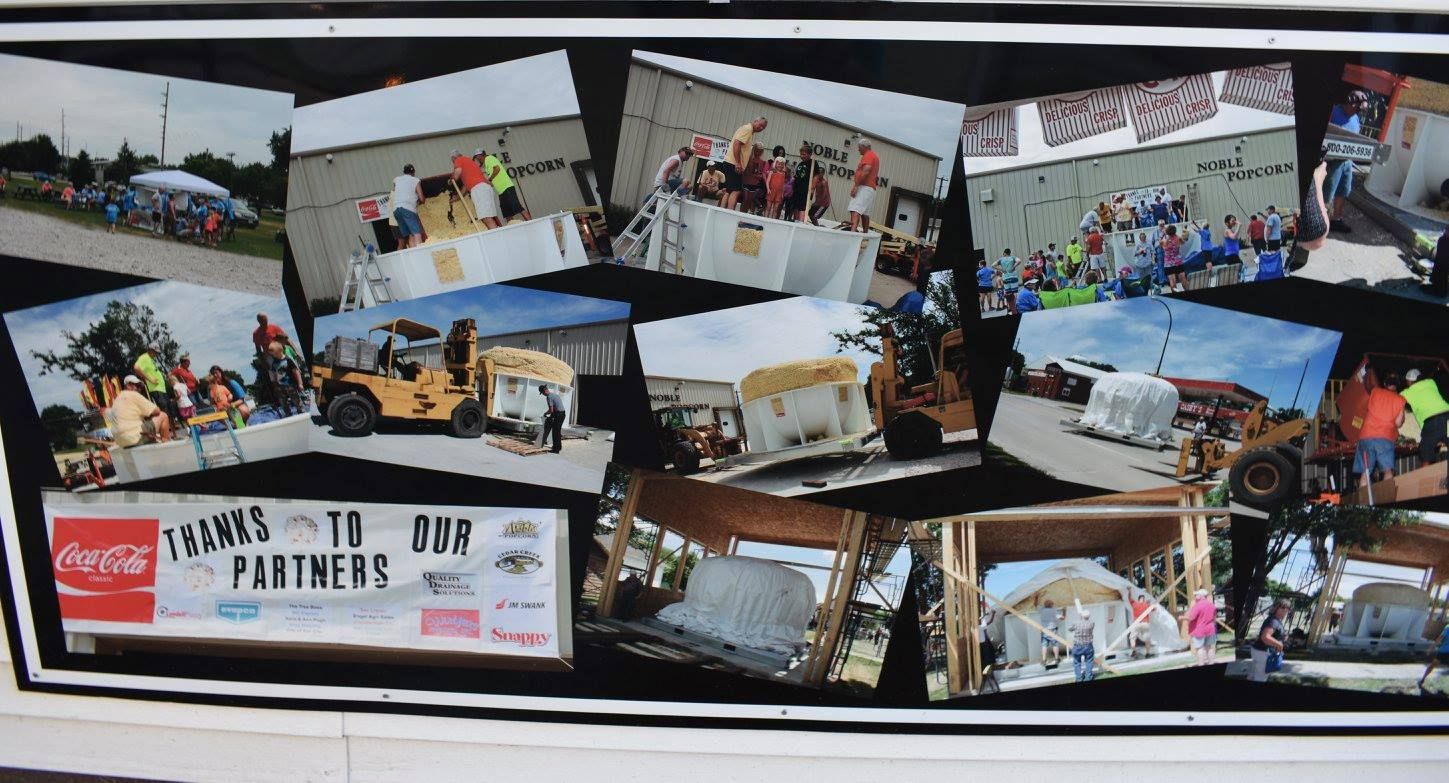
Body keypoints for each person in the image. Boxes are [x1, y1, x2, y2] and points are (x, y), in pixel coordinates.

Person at [1325, 89, 1370, 233]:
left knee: (1343, 191)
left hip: (1347, 162)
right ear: (1350, 103)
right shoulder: (1333, 112)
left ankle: (1336, 220)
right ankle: (1319, 221)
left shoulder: (1355, 118)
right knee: (1327, 193)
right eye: (1357, 108)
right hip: (1332, 162)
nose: (1357, 111)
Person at [1355, 368, 1406, 488]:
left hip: (1366, 436)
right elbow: (1398, 423)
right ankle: (1387, 502)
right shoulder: (1400, 400)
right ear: (1397, 385)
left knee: (1366, 472)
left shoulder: (1375, 392)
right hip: (1384, 437)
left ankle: (1363, 504)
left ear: (1385, 383)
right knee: (1387, 471)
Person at [1401, 368, 1449, 465]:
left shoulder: (1407, 392)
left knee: (1425, 454)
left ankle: (1425, 479)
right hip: (1447, 416)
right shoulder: (1431, 382)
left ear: (1409, 381)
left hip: (1432, 421)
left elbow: (1396, 402)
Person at [110, 375, 172, 446]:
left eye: (140, 387)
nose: (139, 389)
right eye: (137, 386)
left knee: (145, 426)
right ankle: (166, 444)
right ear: (129, 385)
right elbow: (157, 411)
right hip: (134, 437)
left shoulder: (117, 399)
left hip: (120, 441)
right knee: (163, 416)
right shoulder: (133, 394)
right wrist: (149, 416)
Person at [721, 117, 767, 211]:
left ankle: (722, 210)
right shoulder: (748, 129)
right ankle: (729, 213)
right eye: (760, 125)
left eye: (763, 127)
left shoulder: (748, 131)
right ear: (755, 121)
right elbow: (736, 144)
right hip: (733, 163)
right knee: (736, 190)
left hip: (731, 162)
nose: (761, 128)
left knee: (729, 190)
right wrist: (738, 163)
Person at [451, 149, 500, 229]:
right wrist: (456, 198)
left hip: (479, 189)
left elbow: (456, 174)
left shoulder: (459, 159)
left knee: (487, 218)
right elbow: (465, 188)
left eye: (453, 161)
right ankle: (495, 233)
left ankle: (496, 237)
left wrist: (451, 179)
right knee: (487, 217)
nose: (453, 163)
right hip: (484, 188)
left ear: (453, 158)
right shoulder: (469, 163)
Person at [476, 148, 529, 222]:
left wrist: (490, 179)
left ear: (481, 155)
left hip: (506, 187)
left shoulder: (489, 158)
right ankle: (512, 226)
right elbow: (493, 179)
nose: (478, 159)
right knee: (506, 212)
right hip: (501, 191)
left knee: (517, 207)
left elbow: (497, 169)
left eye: (478, 157)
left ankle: (530, 222)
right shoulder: (487, 164)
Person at [1250, 598, 1291, 682]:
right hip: (1264, 653)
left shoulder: (1275, 620)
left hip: (1259, 651)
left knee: (1252, 676)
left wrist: (1282, 637)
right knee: (1260, 679)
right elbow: (1265, 637)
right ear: (1276, 608)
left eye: (1287, 609)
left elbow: (1271, 635)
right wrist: (1279, 644)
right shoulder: (1274, 621)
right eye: (1282, 608)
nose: (1285, 611)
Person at [390, 163, 426, 249]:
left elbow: (395, 190)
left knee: (410, 234)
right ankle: (421, 253)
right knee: (417, 233)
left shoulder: (397, 179)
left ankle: (414, 255)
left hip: (396, 211)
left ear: (404, 172)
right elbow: (421, 198)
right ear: (413, 172)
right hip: (407, 208)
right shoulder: (415, 180)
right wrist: (419, 202)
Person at [848, 139, 880, 233]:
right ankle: (865, 233)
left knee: (855, 209)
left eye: (859, 148)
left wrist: (856, 186)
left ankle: (852, 232)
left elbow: (866, 171)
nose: (858, 150)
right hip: (870, 188)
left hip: (864, 187)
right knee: (865, 213)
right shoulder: (874, 156)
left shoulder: (868, 155)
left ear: (864, 147)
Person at [132, 343, 172, 418]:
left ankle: (171, 428)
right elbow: (136, 368)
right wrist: (150, 379)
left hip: (161, 389)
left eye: (157, 352)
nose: (157, 354)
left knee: (169, 410)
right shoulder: (144, 357)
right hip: (156, 389)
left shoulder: (151, 359)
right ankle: (166, 428)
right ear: (150, 350)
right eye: (155, 352)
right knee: (164, 411)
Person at [266, 341, 305, 416]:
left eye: (274, 354)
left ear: (279, 351)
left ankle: (301, 411)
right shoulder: (274, 363)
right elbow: (273, 374)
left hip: (290, 384)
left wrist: (300, 383)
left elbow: (296, 372)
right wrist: (274, 384)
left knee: (295, 399)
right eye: (272, 355)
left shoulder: (288, 360)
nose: (273, 356)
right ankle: (288, 413)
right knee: (282, 401)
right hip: (280, 386)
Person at [1185, 588, 1218, 666]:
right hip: (1210, 629)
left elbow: (1191, 618)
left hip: (1199, 630)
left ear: (1201, 596)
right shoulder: (1212, 605)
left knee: (1200, 648)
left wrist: (1182, 618)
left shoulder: (1197, 606)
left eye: (1196, 595)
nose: (1195, 596)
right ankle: (1211, 663)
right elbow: (1214, 618)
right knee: (1209, 647)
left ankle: (1201, 664)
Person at [1416, 620, 1449, 693]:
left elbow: (1440, 638)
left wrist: (1431, 648)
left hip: (1443, 651)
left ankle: (1422, 680)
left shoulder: (1447, 627)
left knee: (1432, 666)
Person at [1068, 609, 1096, 683]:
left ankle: (1079, 678)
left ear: (1081, 616)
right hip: (1088, 646)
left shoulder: (1076, 623)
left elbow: (1070, 629)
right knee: (1089, 662)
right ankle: (1088, 677)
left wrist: (1079, 618)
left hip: (1078, 646)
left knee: (1077, 663)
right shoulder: (1092, 623)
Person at [789, 143, 815, 222]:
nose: (802, 156)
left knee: (802, 207)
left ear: (810, 154)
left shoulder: (812, 163)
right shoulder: (801, 164)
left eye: (804, 154)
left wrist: (812, 188)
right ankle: (796, 221)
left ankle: (800, 222)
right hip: (797, 189)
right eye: (801, 154)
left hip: (805, 190)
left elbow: (816, 176)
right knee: (795, 206)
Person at [538, 383, 567, 453]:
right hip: (562, 414)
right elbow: (554, 408)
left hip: (558, 415)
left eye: (542, 393)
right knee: (558, 431)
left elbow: (551, 410)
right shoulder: (555, 395)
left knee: (555, 432)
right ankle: (558, 447)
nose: (543, 395)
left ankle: (556, 449)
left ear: (544, 391)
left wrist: (545, 414)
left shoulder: (549, 397)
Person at [1128, 591, 1155, 660]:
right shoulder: (1146, 605)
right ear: (1143, 599)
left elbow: (1130, 598)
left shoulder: (1135, 604)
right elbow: (1154, 609)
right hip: (1145, 623)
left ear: (1138, 599)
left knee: (1132, 638)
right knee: (1147, 640)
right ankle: (1148, 653)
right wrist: (1149, 603)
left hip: (1137, 623)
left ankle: (1134, 651)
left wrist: (1129, 591)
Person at [1161, 224, 1187, 292]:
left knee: (1172, 283)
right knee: (1184, 281)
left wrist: (1164, 234)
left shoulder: (1165, 240)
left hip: (1169, 264)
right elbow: (1183, 242)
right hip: (1178, 262)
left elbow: (1160, 245)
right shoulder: (1178, 238)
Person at [995, 248, 1021, 315]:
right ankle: (1016, 307)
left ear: (1004, 253)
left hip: (1005, 278)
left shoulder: (1001, 259)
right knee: (1015, 292)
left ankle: (1009, 308)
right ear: (1010, 253)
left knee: (1008, 293)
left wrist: (1001, 269)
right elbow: (1019, 261)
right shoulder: (1012, 257)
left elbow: (993, 265)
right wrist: (1013, 267)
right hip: (1013, 276)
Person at [1039, 599, 1063, 668]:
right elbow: (1062, 618)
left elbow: (1035, 605)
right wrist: (1064, 612)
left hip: (1044, 630)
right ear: (1051, 605)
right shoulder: (1053, 610)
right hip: (1053, 629)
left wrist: (1036, 597)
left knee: (1044, 645)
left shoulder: (1042, 610)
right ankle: (1056, 658)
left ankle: (1044, 660)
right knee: (1055, 644)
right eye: (1052, 604)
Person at [765, 156, 789, 220]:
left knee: (775, 209)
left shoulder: (783, 174)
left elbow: (783, 184)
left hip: (779, 192)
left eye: (782, 164)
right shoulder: (772, 172)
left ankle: (773, 220)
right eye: (779, 164)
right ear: (775, 164)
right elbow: (767, 181)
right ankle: (765, 219)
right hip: (771, 191)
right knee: (768, 207)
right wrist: (768, 189)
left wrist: (782, 193)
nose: (780, 166)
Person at [977, 609, 997, 674]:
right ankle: (986, 672)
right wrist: (993, 614)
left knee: (987, 657)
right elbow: (990, 621)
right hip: (983, 644)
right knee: (987, 658)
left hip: (984, 643)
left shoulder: (979, 627)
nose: (980, 620)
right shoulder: (979, 627)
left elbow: (985, 632)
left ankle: (987, 671)